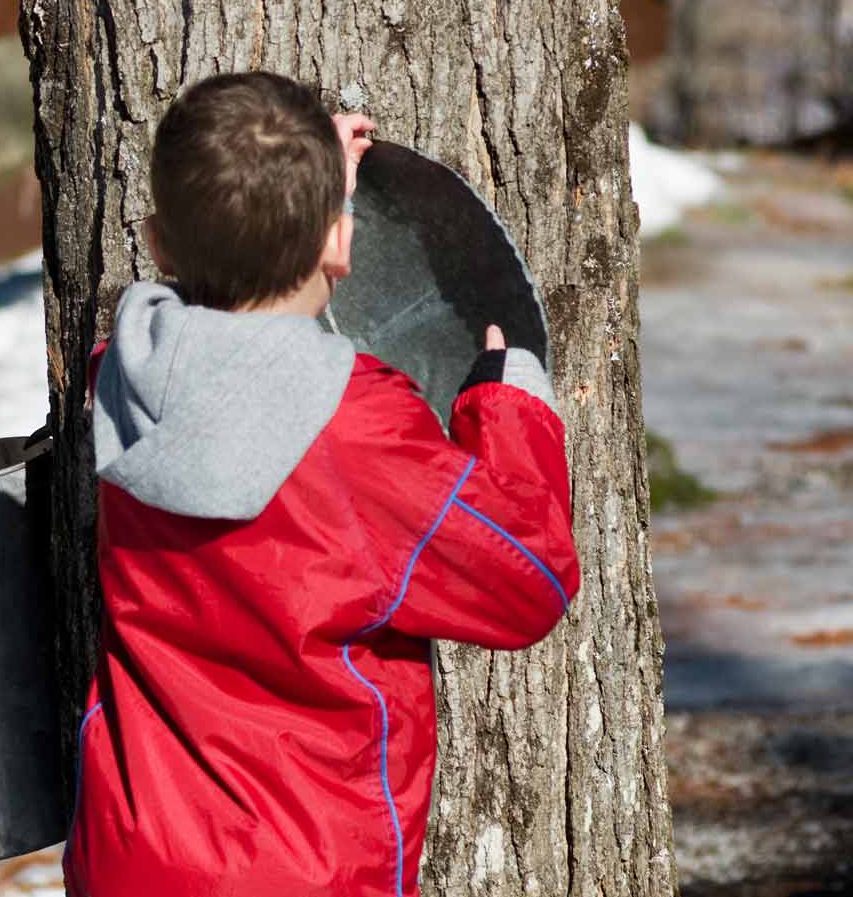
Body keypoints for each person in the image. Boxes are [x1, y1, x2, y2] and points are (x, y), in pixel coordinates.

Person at [64, 71, 580, 897]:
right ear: (342, 244)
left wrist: (292, 190)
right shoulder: (358, 430)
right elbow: (530, 578)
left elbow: (207, 322)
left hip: (136, 855)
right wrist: (506, 400)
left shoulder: (120, 378)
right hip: (309, 865)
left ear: (159, 244)